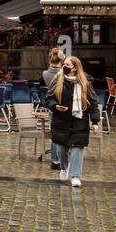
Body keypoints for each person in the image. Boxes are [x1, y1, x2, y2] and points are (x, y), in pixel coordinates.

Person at [49, 56, 100, 189]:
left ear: (75, 67)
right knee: (60, 148)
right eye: (63, 64)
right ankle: (64, 168)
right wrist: (55, 106)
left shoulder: (85, 83)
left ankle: (75, 176)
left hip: (79, 121)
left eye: (67, 65)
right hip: (61, 120)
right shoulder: (57, 80)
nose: (64, 67)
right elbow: (49, 99)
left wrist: (95, 121)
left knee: (77, 148)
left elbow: (93, 103)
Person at [42, 47, 65, 170]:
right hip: (63, 103)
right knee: (63, 133)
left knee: (54, 133)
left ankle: (54, 160)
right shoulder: (63, 73)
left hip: (52, 104)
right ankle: (60, 159)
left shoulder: (45, 73)